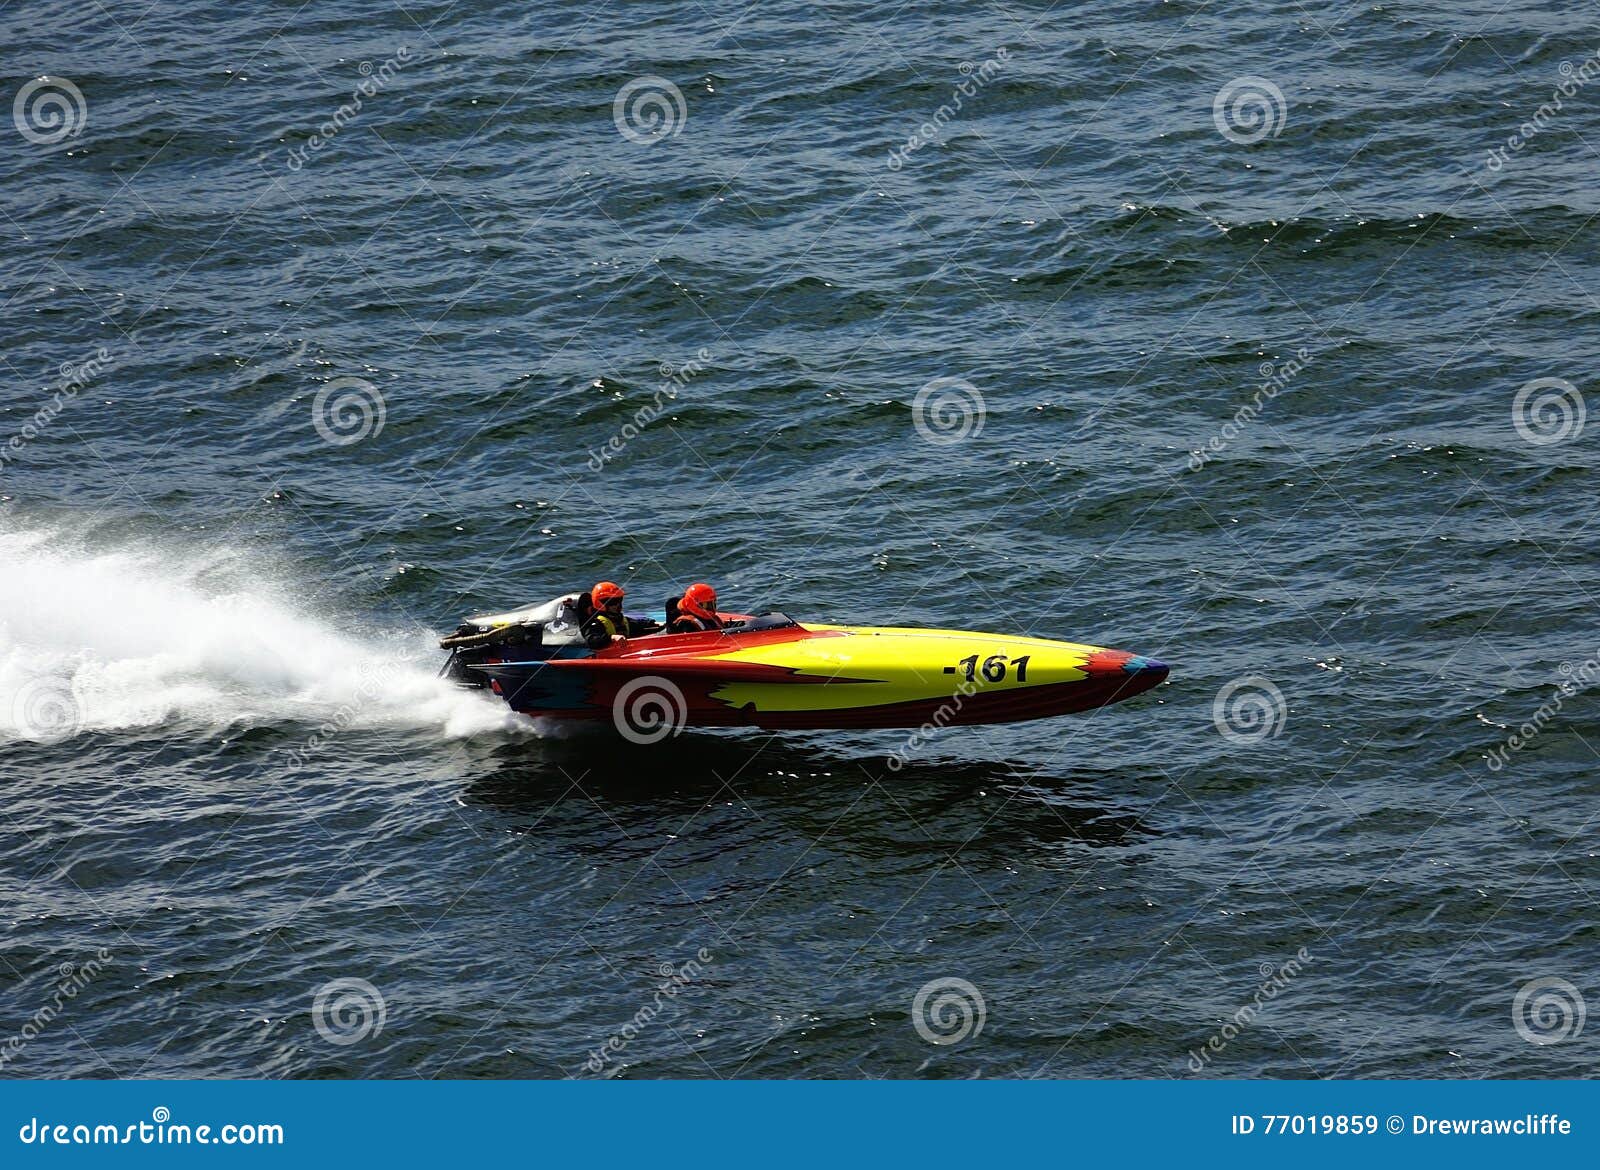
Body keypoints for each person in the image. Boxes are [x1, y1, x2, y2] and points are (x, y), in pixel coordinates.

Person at [579, 581, 661, 648]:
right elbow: (591, 640)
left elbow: (637, 623)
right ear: (600, 603)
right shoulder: (596, 623)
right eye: (613, 602)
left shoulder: (620, 619)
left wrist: (654, 623)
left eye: (619, 600)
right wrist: (612, 638)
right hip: (606, 657)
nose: (617, 605)